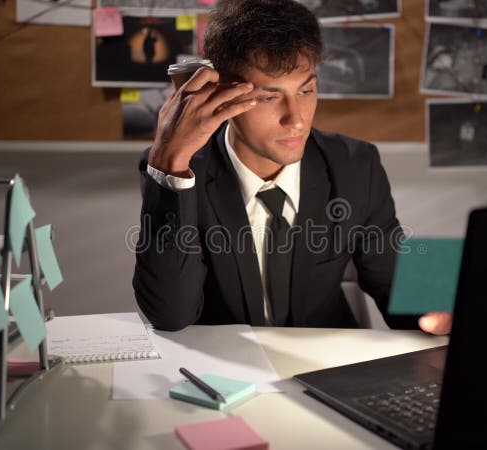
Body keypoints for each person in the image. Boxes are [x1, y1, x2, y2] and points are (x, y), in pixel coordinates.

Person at [133, 0, 452, 335]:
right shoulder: (180, 171)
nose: (296, 119)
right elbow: (171, 315)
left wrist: (439, 306)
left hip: (327, 368)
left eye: (306, 90)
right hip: (226, 375)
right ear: (221, 94)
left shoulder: (356, 164)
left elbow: (397, 284)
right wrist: (170, 162)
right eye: (270, 97)